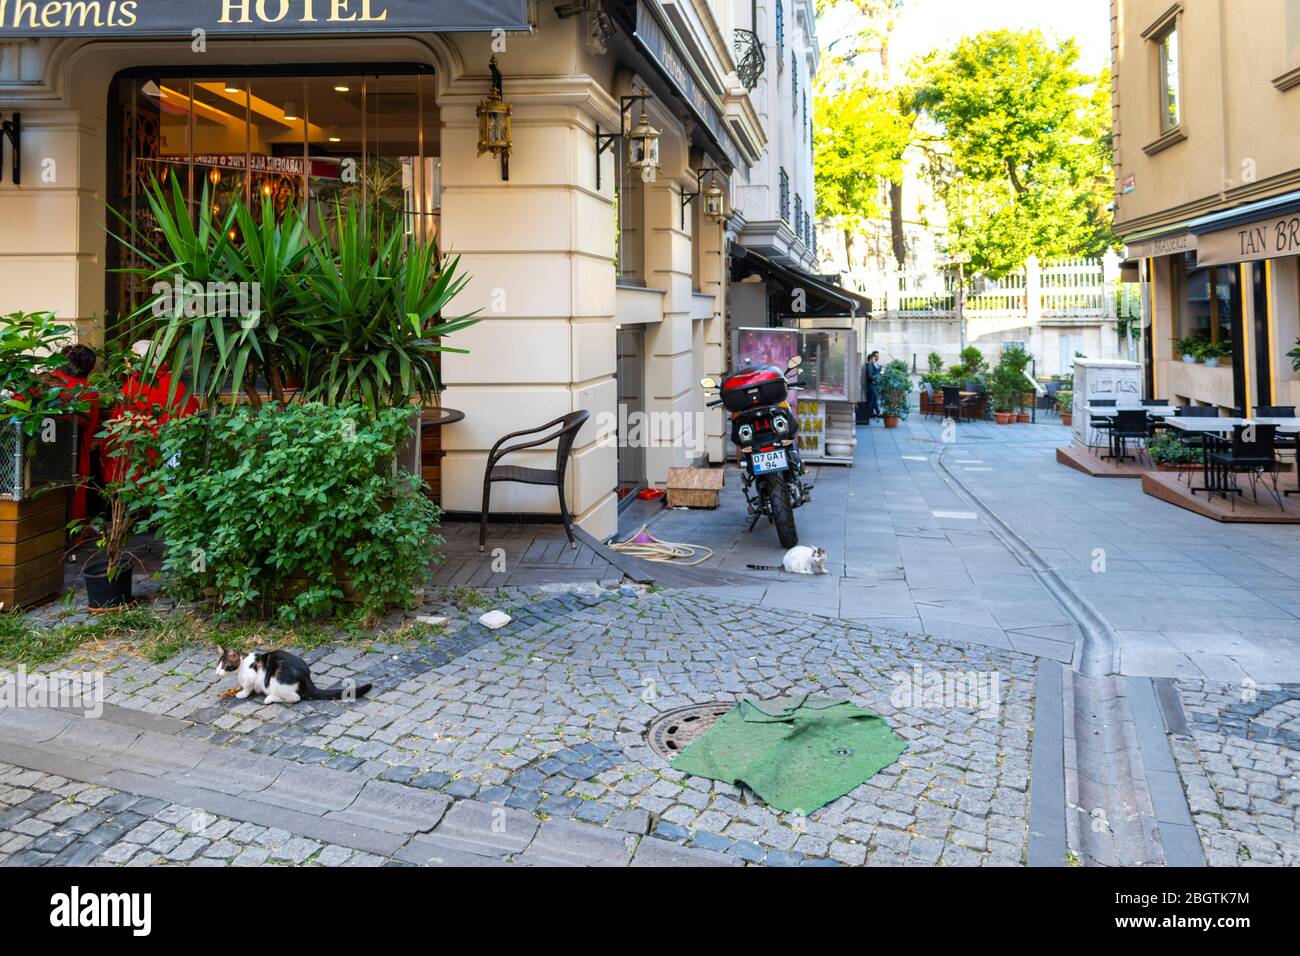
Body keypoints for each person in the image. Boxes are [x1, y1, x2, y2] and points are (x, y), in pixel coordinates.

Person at [102, 340, 199, 485]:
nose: (127, 365)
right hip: (171, 466)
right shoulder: (177, 386)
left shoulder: (132, 387)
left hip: (137, 466)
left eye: (130, 361)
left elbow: (115, 430)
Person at [49, 344, 100, 522]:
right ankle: (73, 535)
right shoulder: (88, 391)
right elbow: (91, 428)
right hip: (74, 452)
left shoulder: (47, 383)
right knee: (74, 490)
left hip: (41, 454)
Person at [863, 351, 883, 422]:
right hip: (871, 384)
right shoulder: (869, 365)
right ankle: (873, 412)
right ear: (871, 359)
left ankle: (874, 412)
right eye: (874, 359)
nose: (875, 360)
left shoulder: (870, 365)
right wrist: (875, 379)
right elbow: (870, 376)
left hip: (873, 384)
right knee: (873, 398)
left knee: (873, 398)